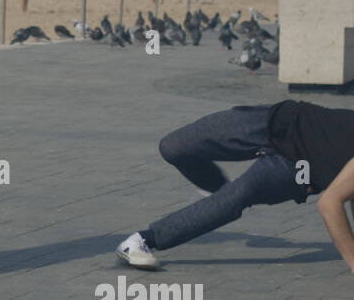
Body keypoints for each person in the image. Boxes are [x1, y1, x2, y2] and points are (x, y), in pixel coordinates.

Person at [116, 101, 354, 274]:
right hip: (278, 121)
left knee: (238, 195)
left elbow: (330, 203)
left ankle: (143, 240)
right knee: (173, 146)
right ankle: (218, 193)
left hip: (301, 169)